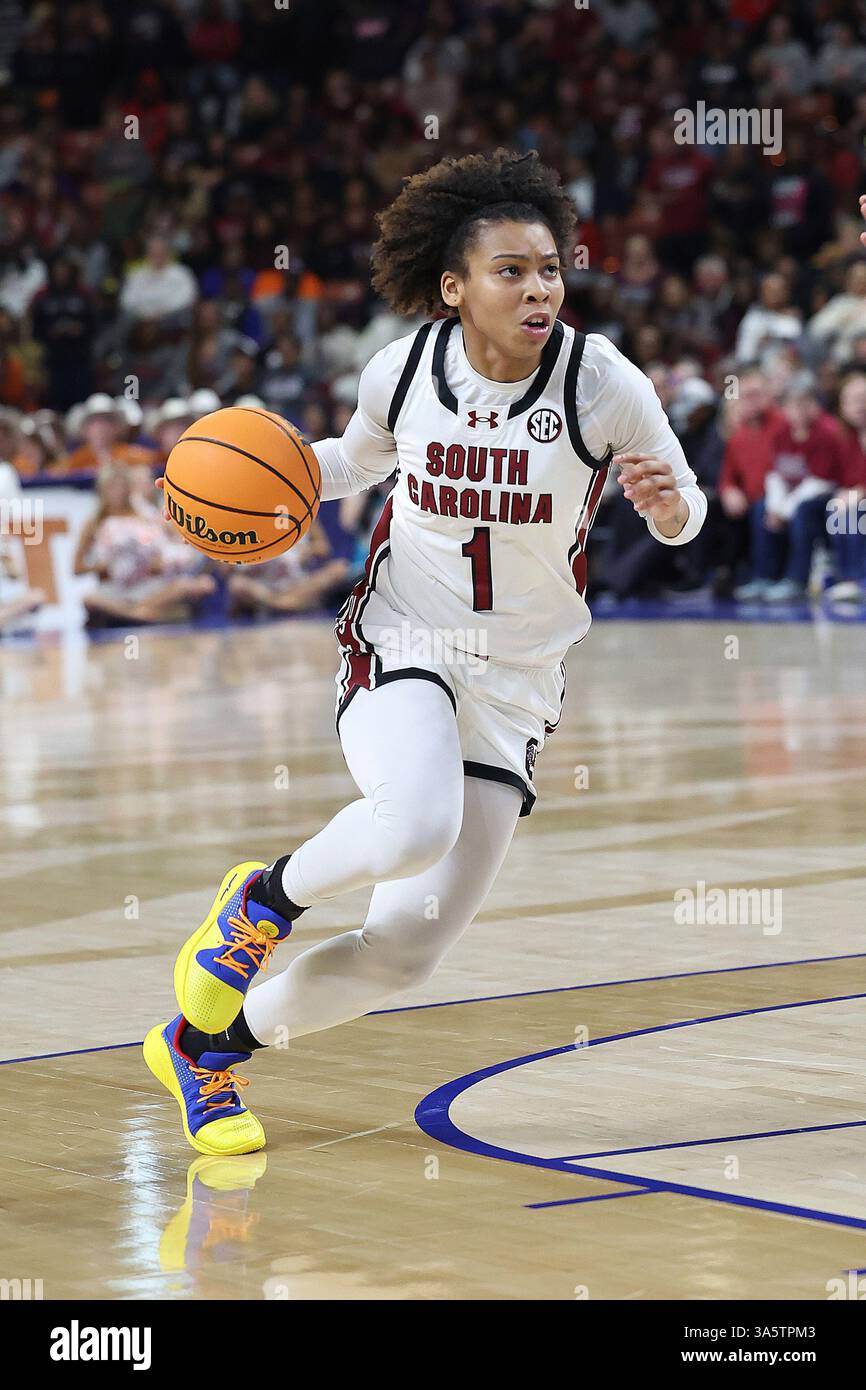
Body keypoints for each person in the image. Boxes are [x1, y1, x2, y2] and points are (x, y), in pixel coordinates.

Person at [143, 148, 707, 1156]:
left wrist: (670, 511)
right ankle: (258, 902)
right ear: (453, 288)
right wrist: (219, 484)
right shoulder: (400, 372)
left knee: (402, 953)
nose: (537, 286)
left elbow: (682, 504)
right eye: (510, 270)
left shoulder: (600, 381)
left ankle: (203, 1046)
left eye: (547, 267)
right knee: (412, 822)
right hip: (402, 634)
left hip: (517, 680)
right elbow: (345, 465)